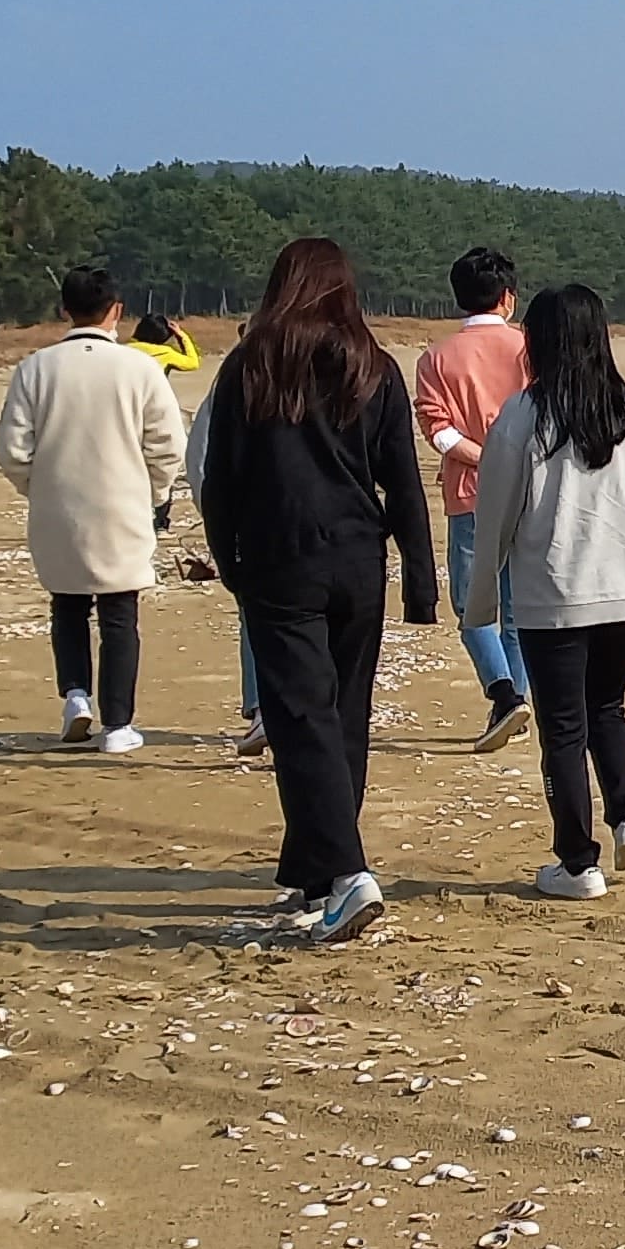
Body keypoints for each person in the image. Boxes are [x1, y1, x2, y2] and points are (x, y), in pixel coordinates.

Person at [195, 237, 435, 943]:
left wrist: (229, 563)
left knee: (302, 719)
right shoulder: (376, 367)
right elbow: (404, 484)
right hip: (360, 562)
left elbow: (220, 481)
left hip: (280, 560)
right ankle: (314, 872)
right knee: (341, 717)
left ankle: (349, 873)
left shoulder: (251, 365)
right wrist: (420, 580)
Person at [461, 282, 625, 900]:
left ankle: (578, 864)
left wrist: (481, 609)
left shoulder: (523, 415)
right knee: (608, 709)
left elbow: (494, 518)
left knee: (565, 731)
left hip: (555, 600)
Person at [0, 265, 187, 752]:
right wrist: (155, 493)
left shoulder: (35, 368)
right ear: (116, 311)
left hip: (57, 506)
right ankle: (118, 723)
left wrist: (37, 488)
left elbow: (11, 449)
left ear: (65, 310)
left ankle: (75, 696)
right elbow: (168, 444)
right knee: (120, 614)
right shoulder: (139, 367)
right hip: (122, 505)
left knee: (68, 604)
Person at [411, 247, 533, 746]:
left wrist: (482, 456)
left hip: (469, 494)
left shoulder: (435, 358)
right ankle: (516, 698)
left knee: (472, 606)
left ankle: (504, 695)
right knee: (519, 605)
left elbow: (435, 429)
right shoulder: (529, 348)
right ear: (508, 297)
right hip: (528, 492)